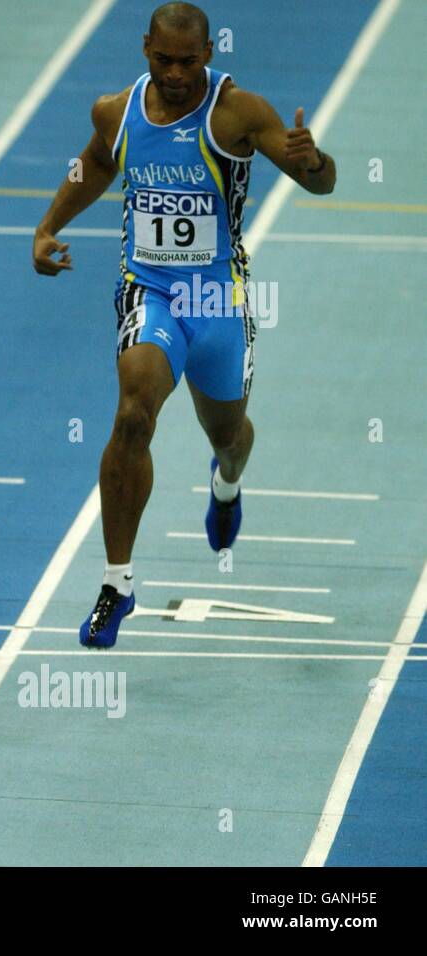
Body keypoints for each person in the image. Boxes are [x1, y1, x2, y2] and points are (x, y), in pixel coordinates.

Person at [31, 2, 336, 648]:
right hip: (152, 291)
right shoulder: (116, 110)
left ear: (209, 53)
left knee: (227, 434)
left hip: (219, 301)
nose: (174, 74)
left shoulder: (238, 113)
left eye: (188, 61)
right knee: (134, 414)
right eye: (162, 60)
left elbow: (318, 184)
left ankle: (226, 483)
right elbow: (95, 164)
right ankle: (118, 583)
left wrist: (315, 161)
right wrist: (48, 225)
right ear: (145, 48)